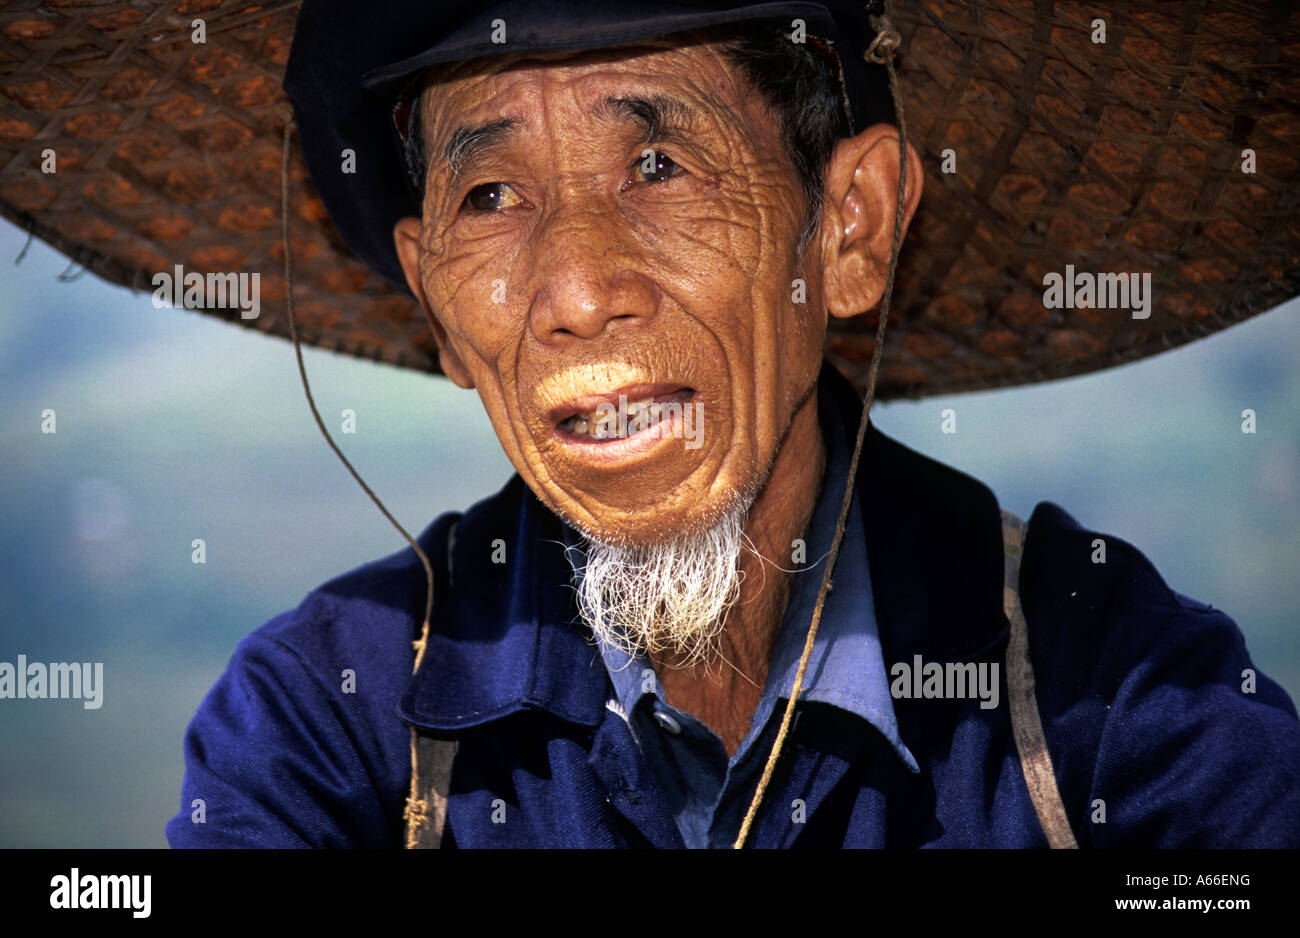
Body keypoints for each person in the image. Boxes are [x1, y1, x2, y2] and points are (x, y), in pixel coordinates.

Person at [154, 1, 1300, 848]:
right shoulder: (327, 720)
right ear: (437, 308)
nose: (574, 290)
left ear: (847, 229)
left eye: (657, 165)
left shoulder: (1120, 693)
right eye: (489, 195)